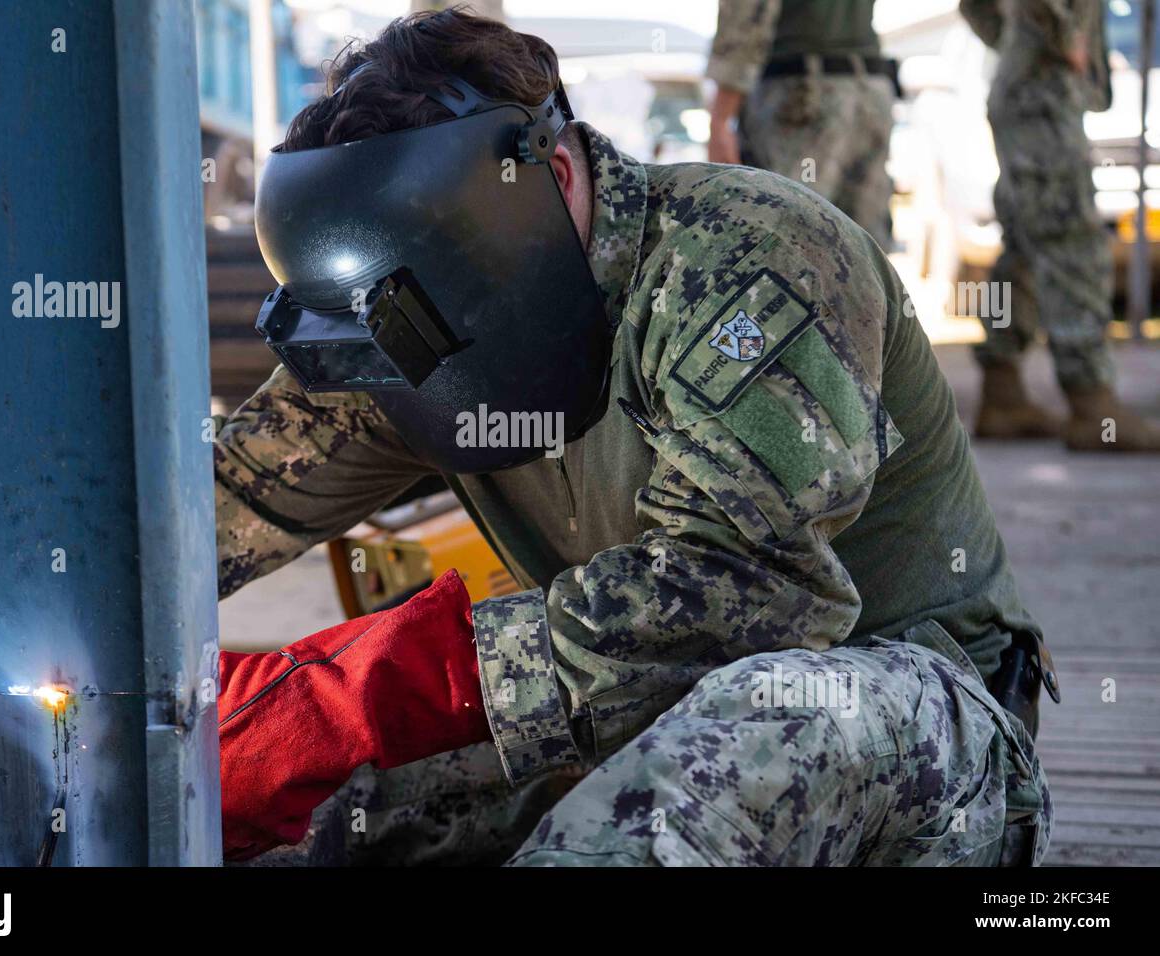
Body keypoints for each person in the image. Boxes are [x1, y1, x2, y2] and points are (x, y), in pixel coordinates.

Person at [214, 7, 1053, 866]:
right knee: (341, 822)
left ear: (557, 171)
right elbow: (216, 508)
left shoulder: (740, 257)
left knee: (765, 712)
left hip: (910, 737)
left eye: (443, 273)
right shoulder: (389, 323)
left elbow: (747, 594)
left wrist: (393, 690)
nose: (418, 330)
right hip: (633, 720)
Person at [963, 0, 1160, 451]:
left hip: (1026, 85)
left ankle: (1003, 392)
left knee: (1025, 247)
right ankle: (1093, 404)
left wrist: (1018, 41)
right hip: (1044, 89)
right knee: (1072, 241)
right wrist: (1062, 37)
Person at [706, 0, 896, 249]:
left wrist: (721, 118)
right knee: (863, 253)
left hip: (803, 96)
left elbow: (749, 16)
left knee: (788, 246)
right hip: (871, 89)